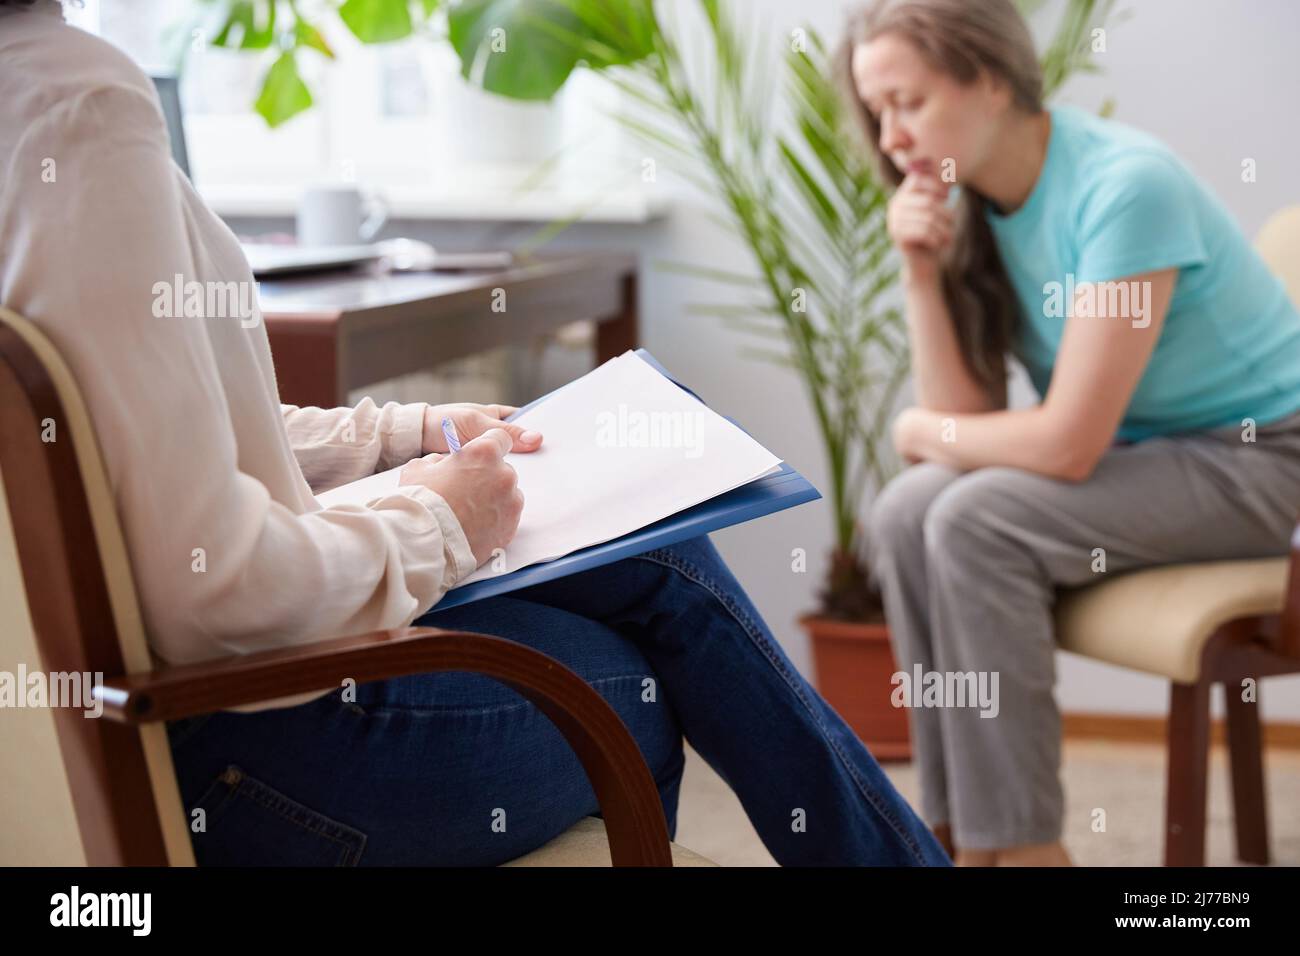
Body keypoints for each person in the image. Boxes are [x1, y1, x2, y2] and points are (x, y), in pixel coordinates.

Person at [0, 0, 950, 866]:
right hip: (226, 746)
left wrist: (403, 435)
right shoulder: (72, 103)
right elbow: (213, 593)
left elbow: (132, 441)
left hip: (180, 707)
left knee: (657, 561)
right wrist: (437, 522)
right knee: (632, 693)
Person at [841, 0, 1300, 866]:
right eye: (876, 112)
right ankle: (956, 839)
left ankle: (1027, 850)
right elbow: (967, 430)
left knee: (975, 520)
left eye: (908, 102)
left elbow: (1062, 447)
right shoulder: (972, 202)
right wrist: (920, 276)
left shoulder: (1127, 187)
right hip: (1145, 457)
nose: (891, 135)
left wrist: (916, 424)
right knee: (907, 513)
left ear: (988, 77)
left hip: (1266, 459)